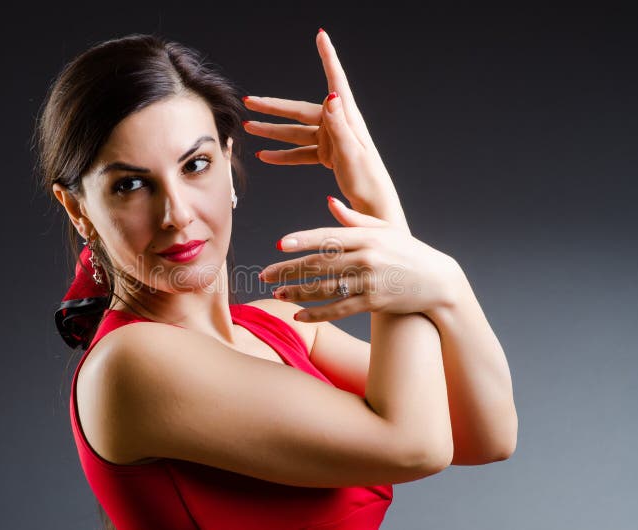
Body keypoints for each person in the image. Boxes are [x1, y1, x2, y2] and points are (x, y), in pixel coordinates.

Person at [35, 29, 517, 530]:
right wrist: (382, 218)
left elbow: (486, 435)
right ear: (78, 209)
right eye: (131, 185)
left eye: (195, 165)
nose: (175, 213)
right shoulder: (129, 364)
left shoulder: (283, 324)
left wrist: (448, 282)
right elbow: (414, 445)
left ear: (227, 158)